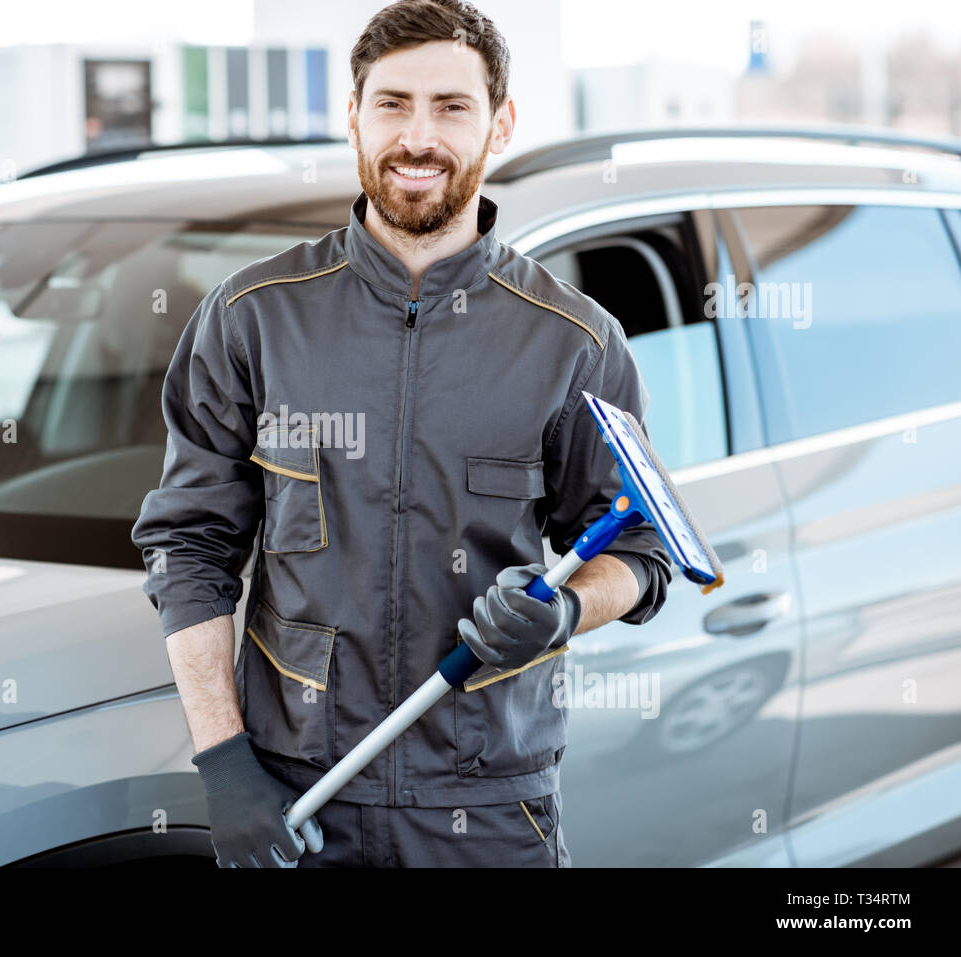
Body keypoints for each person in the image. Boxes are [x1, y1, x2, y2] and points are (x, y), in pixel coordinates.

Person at [131, 0, 672, 868]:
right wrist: (225, 763)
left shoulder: (575, 340)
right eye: (392, 104)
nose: (418, 137)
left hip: (491, 807)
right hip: (301, 798)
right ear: (353, 116)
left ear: (500, 126)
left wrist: (567, 606)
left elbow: (638, 548)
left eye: (452, 107)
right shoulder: (252, 318)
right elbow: (188, 548)